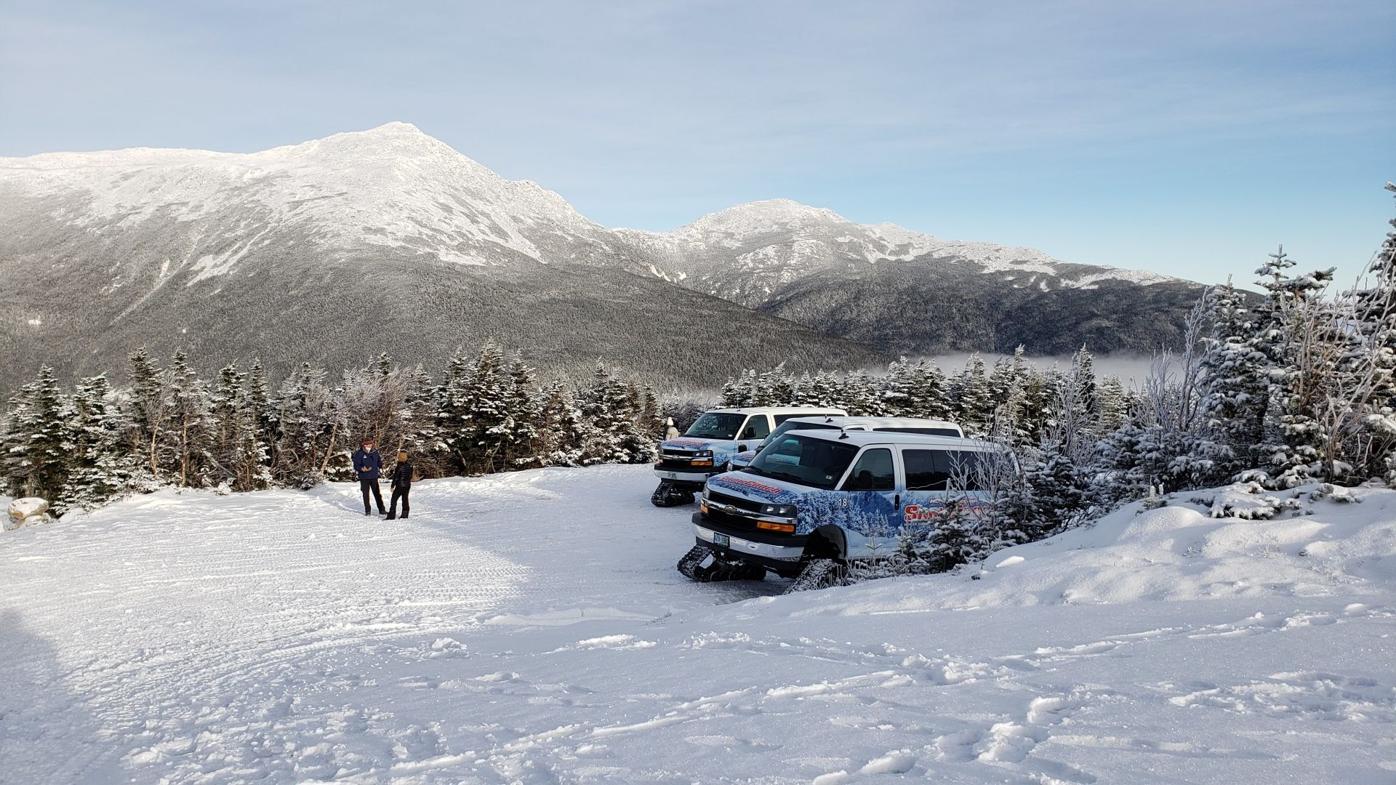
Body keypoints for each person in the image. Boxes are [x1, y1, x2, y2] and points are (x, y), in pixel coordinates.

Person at [352, 438, 386, 516]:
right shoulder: (359, 453)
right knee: (365, 494)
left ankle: (382, 510)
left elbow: (379, 462)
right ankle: (368, 511)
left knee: (377, 494)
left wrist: (381, 465)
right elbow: (356, 465)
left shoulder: (375, 452)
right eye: (366, 444)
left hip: (374, 476)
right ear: (363, 445)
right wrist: (361, 468)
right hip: (364, 477)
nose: (368, 445)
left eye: (370, 444)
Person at [386, 450, 414, 520]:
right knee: (405, 499)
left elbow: (396, 477)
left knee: (394, 500)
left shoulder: (399, 466)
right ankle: (405, 514)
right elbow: (410, 476)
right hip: (407, 485)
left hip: (400, 485)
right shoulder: (410, 465)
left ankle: (391, 515)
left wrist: (392, 486)